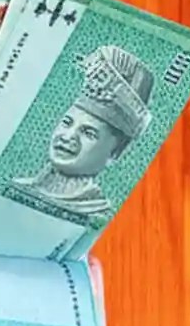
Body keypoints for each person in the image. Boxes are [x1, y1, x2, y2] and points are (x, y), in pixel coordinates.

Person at [10, 45, 154, 216]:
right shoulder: (17, 186)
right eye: (66, 122)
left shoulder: (97, 216)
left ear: (115, 153)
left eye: (88, 133)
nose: (68, 136)